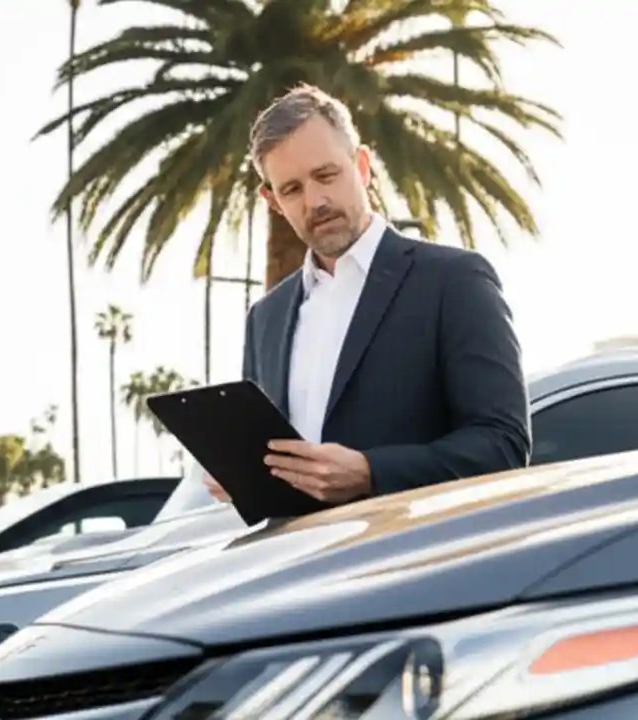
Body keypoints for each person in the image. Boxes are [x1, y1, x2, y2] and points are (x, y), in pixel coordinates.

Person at [203, 83, 530, 507]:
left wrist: (370, 472)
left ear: (361, 166)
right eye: (292, 189)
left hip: (416, 563)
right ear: (272, 200)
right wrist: (244, 477)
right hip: (298, 567)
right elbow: (280, 468)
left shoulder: (453, 281)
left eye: (326, 175)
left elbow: (503, 446)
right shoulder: (265, 317)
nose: (315, 201)